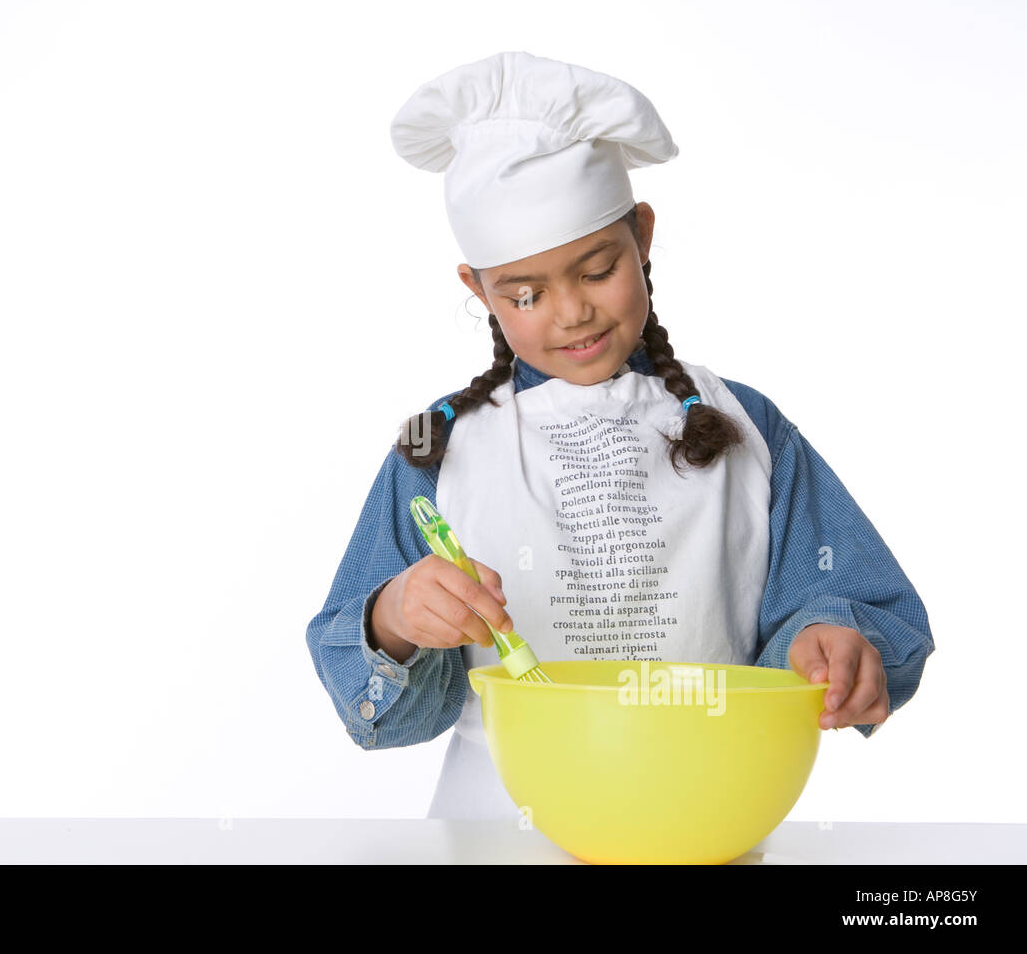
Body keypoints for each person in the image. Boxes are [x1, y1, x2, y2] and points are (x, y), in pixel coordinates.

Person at [304, 51, 935, 820]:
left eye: (597, 269)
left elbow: (842, 588)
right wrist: (397, 615)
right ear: (478, 289)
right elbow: (371, 697)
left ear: (641, 235)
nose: (570, 313)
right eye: (526, 293)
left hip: (706, 811)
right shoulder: (432, 443)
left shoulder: (747, 425)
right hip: (501, 826)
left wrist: (829, 636)